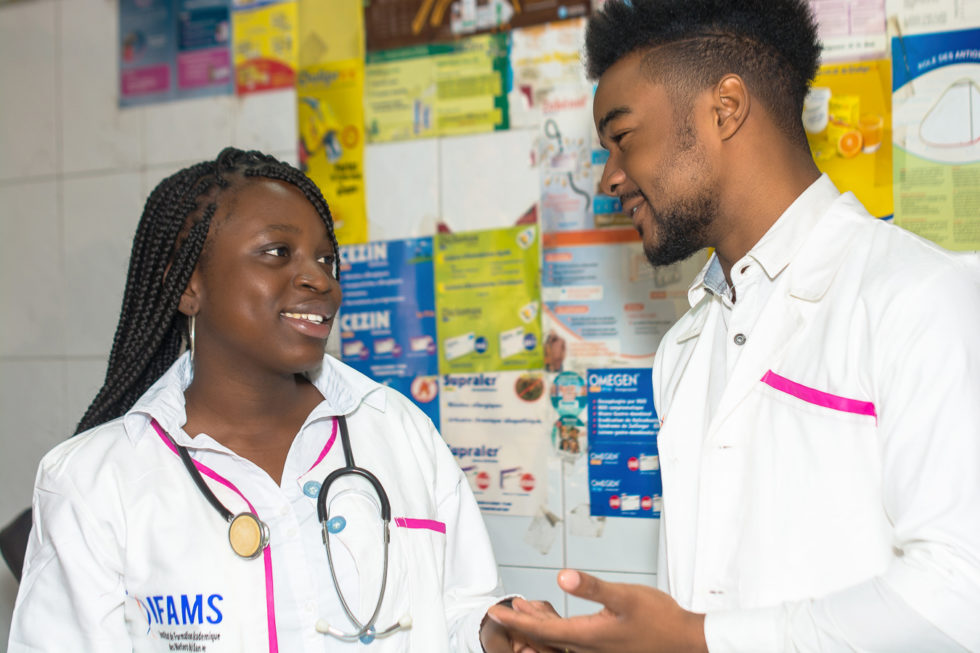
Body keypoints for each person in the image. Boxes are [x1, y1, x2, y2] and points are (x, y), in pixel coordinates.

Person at [489, 0, 980, 650]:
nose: (610, 177)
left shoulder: (919, 297)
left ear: (724, 109)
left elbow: (960, 599)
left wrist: (699, 637)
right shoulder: (684, 349)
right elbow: (708, 603)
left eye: (623, 137)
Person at [7, 148, 551, 653]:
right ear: (189, 285)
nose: (320, 280)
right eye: (277, 252)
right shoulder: (94, 481)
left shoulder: (398, 429)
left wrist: (494, 632)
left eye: (327, 260)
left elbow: (455, 609)